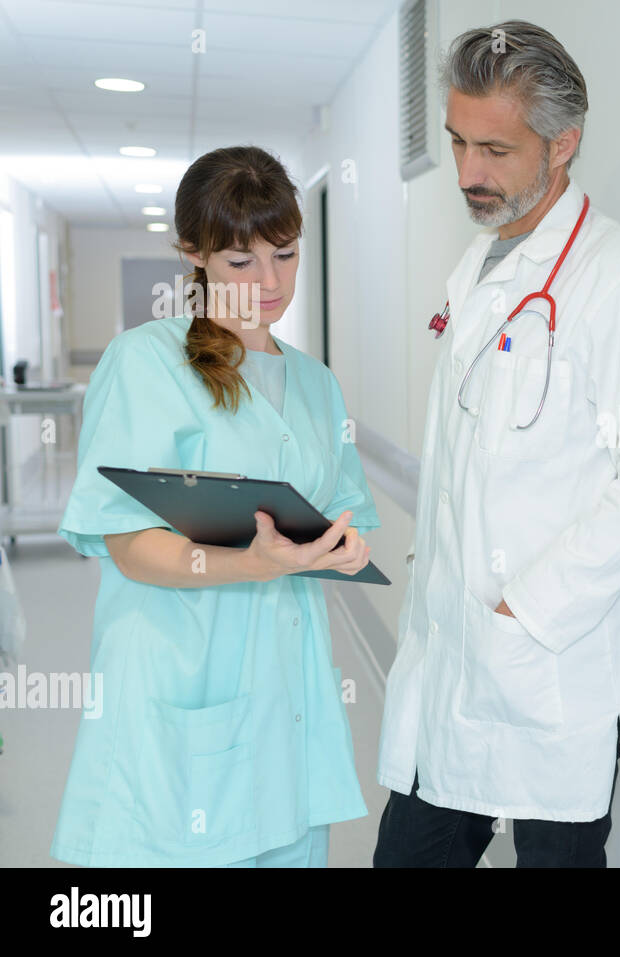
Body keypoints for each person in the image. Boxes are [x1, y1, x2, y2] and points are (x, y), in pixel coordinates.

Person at [373, 20, 620, 868]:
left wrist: (527, 606)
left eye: (495, 149)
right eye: (456, 143)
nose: (468, 173)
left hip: (554, 673)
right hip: (455, 662)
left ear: (564, 144)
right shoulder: (481, 263)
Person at [52, 145, 379, 867]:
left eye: (286, 255)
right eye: (241, 262)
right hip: (179, 680)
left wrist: (342, 549)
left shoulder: (318, 386)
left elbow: (343, 512)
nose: (269, 282)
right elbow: (129, 544)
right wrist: (253, 564)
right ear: (193, 255)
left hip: (288, 700)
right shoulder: (144, 362)